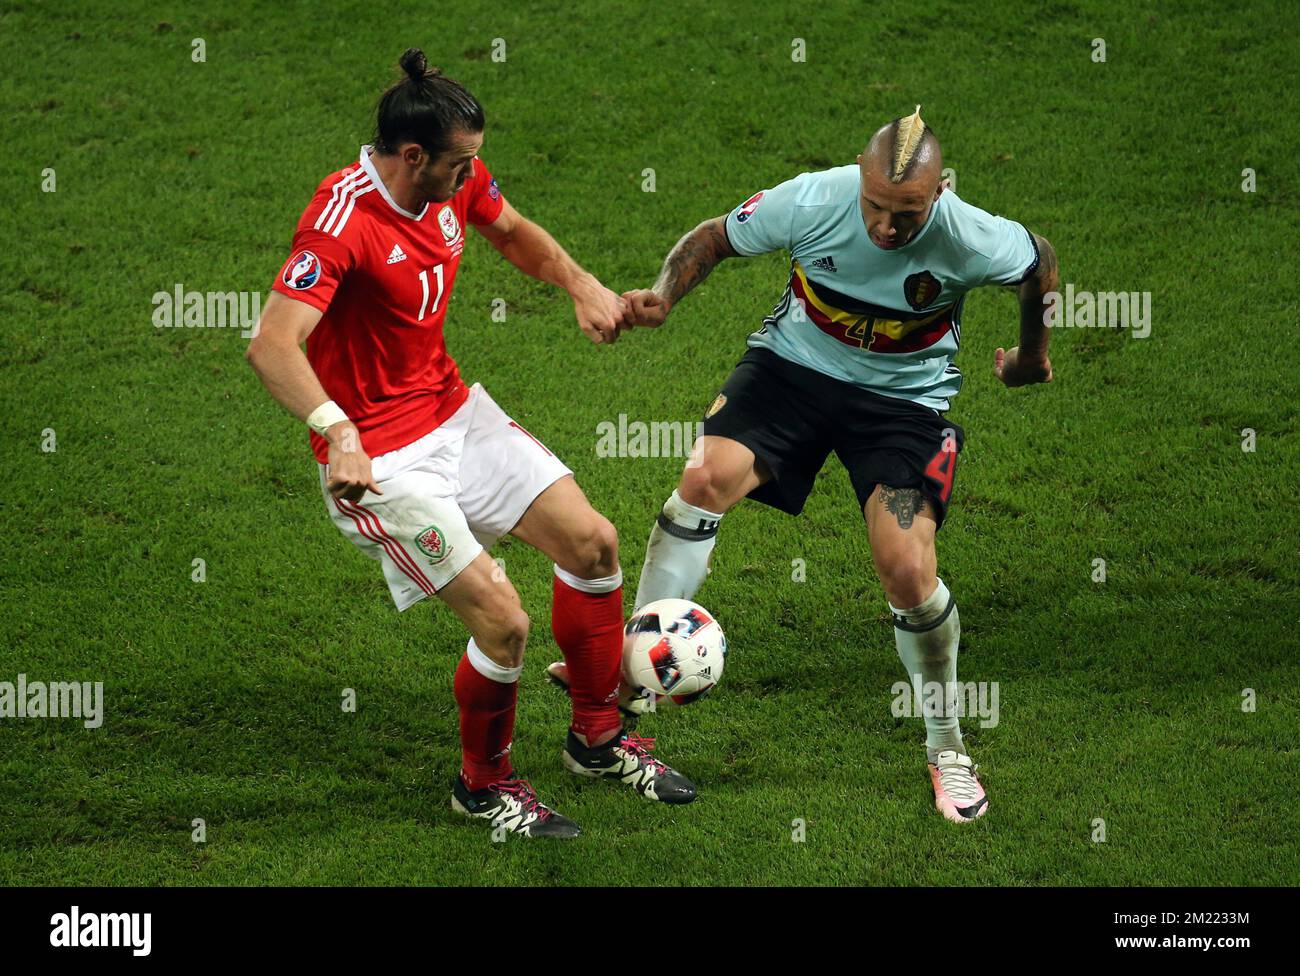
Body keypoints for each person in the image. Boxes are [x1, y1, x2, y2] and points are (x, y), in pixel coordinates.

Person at [246, 49, 695, 840]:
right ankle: (482, 787)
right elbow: (273, 344)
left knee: (593, 545)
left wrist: (581, 286)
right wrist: (336, 430)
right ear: (412, 156)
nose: (471, 180)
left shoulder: (455, 179)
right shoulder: (342, 217)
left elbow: (514, 231)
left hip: (452, 413)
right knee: (504, 621)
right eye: (459, 167)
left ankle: (596, 737)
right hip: (377, 461)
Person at [619, 107, 1058, 823]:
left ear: (940, 192)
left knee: (909, 570)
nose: (887, 229)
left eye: (907, 214)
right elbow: (713, 238)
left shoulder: (969, 234)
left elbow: (1038, 260)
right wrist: (664, 295)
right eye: (876, 207)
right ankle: (635, 673)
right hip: (791, 371)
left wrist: (1033, 358)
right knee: (703, 478)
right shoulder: (813, 198)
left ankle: (946, 746)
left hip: (903, 403)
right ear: (857, 182)